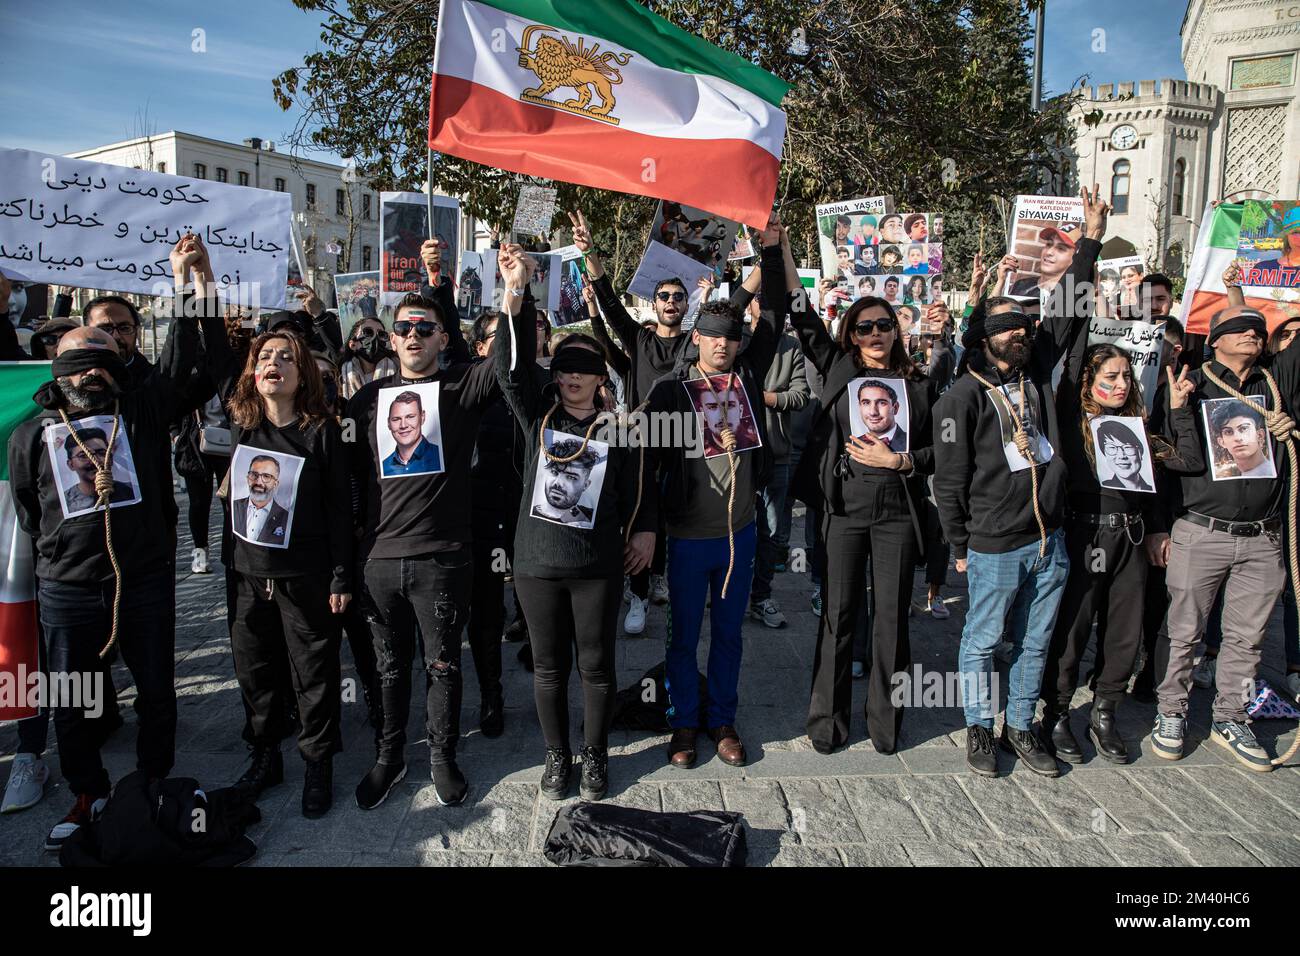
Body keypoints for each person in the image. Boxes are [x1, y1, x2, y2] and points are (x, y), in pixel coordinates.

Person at [8, 235, 203, 851]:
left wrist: (189, 287)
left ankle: (149, 783)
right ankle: (86, 790)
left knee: (155, 692)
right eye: (75, 365)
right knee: (71, 699)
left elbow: (182, 360)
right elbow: (27, 508)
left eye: (102, 363)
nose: (90, 375)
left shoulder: (142, 412)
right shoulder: (31, 434)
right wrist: (61, 558)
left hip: (141, 577)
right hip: (66, 587)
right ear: (56, 374)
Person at [933, 185, 1107, 778]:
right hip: (993, 542)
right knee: (983, 640)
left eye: (1022, 328)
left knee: (1037, 639)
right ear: (983, 340)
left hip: (1048, 538)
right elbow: (949, 478)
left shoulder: (1037, 377)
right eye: (1006, 329)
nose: (1019, 334)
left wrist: (1088, 241)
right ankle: (980, 729)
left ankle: (1023, 723)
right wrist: (958, 544)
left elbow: (1067, 314)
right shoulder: (961, 397)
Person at [495, 244, 656, 800]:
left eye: (585, 370)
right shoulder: (536, 415)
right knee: (548, 668)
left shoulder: (622, 427)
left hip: (596, 566)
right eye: (564, 368)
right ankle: (556, 755)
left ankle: (594, 756)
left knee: (597, 665)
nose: (572, 379)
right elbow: (509, 368)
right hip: (538, 563)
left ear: (599, 377)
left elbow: (642, 489)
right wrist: (516, 292)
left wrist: (645, 531)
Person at [345, 238, 500, 810]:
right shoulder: (365, 403)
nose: (414, 335)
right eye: (405, 328)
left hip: (443, 558)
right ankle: (389, 756)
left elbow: (502, 361)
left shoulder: (459, 390)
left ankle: (442, 756)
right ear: (391, 340)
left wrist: (514, 291)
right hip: (378, 561)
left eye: (426, 328)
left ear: (442, 338)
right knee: (389, 669)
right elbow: (343, 485)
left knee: (442, 664)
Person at [198, 256, 354, 818]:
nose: (274, 363)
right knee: (255, 670)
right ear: (252, 371)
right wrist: (202, 284)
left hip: (306, 577)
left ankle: (318, 763)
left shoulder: (321, 433)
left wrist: (340, 575)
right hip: (245, 576)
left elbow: (340, 511)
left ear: (302, 373)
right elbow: (215, 344)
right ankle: (264, 756)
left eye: (286, 357)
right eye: (265, 356)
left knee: (314, 674)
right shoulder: (242, 423)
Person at [644, 215, 788, 769]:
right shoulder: (671, 394)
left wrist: (771, 254)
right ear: (696, 339)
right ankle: (683, 724)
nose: (723, 346)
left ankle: (722, 719)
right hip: (686, 538)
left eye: (731, 338)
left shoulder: (749, 379)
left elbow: (772, 316)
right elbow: (646, 463)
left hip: (739, 536)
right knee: (682, 640)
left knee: (729, 635)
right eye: (713, 337)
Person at [1148, 302, 1300, 771]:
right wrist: (1157, 526)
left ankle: (1231, 716)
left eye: (1258, 329)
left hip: (1263, 536)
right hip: (1201, 529)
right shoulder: (1186, 384)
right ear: (1215, 340)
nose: (1252, 334)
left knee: (1247, 637)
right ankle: (1171, 711)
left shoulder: (1276, 386)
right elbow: (1163, 462)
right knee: (1184, 631)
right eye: (1239, 329)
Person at [1039, 343, 1201, 767]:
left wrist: (1180, 408)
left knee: (1124, 631)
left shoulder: (1137, 425)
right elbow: (1068, 363)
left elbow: (1189, 459)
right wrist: (1082, 284)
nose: (1119, 384)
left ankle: (1104, 710)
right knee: (1072, 628)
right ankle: (1055, 712)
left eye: (1126, 376)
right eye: (1109, 377)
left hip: (1130, 537)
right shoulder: (1071, 423)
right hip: (1084, 534)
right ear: (1088, 382)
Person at [791, 284, 936, 755]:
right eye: (865, 327)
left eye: (884, 325)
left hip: (897, 514)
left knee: (892, 621)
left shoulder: (917, 385)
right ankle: (827, 723)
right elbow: (802, 315)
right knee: (838, 616)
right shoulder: (839, 370)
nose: (876, 333)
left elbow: (941, 452)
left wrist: (903, 462)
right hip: (844, 513)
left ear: (897, 330)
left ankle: (886, 724)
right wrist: (778, 250)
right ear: (851, 335)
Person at [747, 275, 810, 630]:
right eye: (758, 297)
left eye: (771, 298)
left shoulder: (791, 346)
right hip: (735, 455)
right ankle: (729, 589)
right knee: (734, 529)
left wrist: (768, 398)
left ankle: (762, 596)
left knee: (772, 533)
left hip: (778, 452)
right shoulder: (735, 342)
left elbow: (801, 395)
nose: (764, 303)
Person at [84, 295, 156, 389]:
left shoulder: (156, 382)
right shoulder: (75, 379)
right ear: (85, 332)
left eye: (125, 328)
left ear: (137, 331)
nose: (116, 336)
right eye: (104, 329)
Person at [1008, 223, 1081, 303]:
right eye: (1049, 244)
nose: (1049, 252)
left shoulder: (1077, 299)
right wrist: (1001, 281)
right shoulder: (1020, 286)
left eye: (1061, 248)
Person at [380, 390, 444, 476]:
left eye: (410, 417)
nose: (403, 425)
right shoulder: (383, 466)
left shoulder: (440, 457)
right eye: (396, 419)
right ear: (388, 423)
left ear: (422, 417)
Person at [232, 454, 291, 544]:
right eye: (254, 475)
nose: (259, 482)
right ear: (248, 478)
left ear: (275, 483)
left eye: (266, 476)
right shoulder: (233, 507)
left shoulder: (286, 518)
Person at [1208, 399, 1273, 478]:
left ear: (1260, 435)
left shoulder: (1272, 472)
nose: (1237, 438)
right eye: (1228, 432)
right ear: (1222, 442)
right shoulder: (1223, 475)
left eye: (1244, 428)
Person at [340, 317, 396, 399]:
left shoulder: (398, 369)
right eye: (368, 332)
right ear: (353, 345)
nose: (375, 338)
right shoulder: (341, 377)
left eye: (381, 334)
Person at [1095, 419, 1154, 490]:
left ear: (1140, 452)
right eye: (1112, 447)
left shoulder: (1156, 486)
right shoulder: (1099, 489)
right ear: (1104, 454)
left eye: (1127, 447)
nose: (1121, 456)